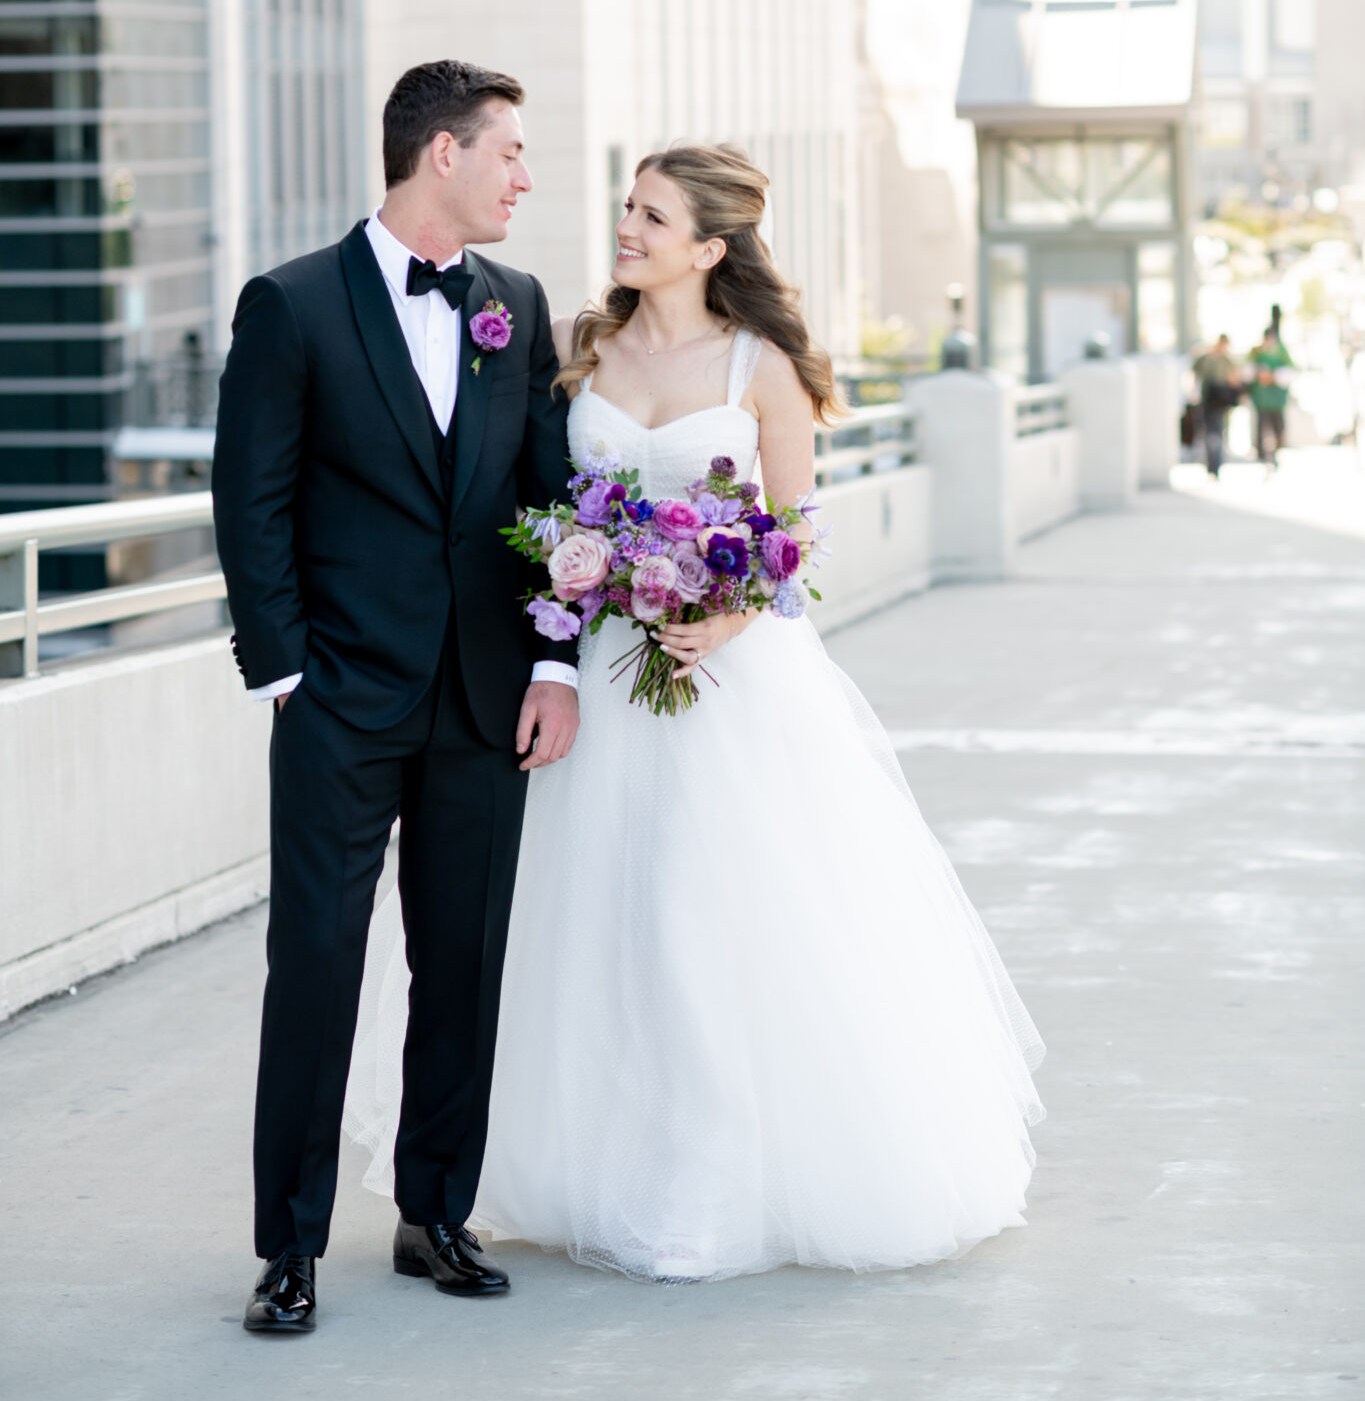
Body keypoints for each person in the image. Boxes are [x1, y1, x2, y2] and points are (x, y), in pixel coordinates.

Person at [346, 143, 1045, 1282]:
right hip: (590, 678)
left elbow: (794, 530)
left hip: (722, 685)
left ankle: (699, 1188)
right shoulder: (578, 346)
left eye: (653, 216)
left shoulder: (762, 367)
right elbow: (535, 498)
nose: (627, 228)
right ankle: (561, 1170)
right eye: (628, 207)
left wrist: (724, 618)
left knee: (688, 925)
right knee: (582, 930)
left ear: (710, 247)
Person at [212, 61, 580, 1334]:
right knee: (315, 966)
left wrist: (554, 662)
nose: (524, 175)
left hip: (485, 697)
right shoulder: (294, 303)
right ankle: (290, 1246)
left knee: (462, 965)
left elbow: (547, 501)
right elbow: (250, 499)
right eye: (509, 150)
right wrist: (287, 674)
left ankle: (435, 1212)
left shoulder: (516, 304)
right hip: (338, 698)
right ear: (442, 153)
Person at [1192, 334, 1239, 478]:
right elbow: (1196, 375)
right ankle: (1211, 464)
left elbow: (1234, 379)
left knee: (1218, 432)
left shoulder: (1227, 361)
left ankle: (1216, 464)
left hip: (1221, 401)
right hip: (1208, 399)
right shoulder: (1206, 358)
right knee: (1209, 432)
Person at [1247, 325, 1293, 469]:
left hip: (1277, 400)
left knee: (1278, 429)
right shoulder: (1256, 353)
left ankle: (1276, 453)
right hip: (1261, 399)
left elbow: (1290, 371)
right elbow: (1247, 371)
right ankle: (1262, 455)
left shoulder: (1282, 353)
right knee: (1262, 429)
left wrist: (1273, 376)